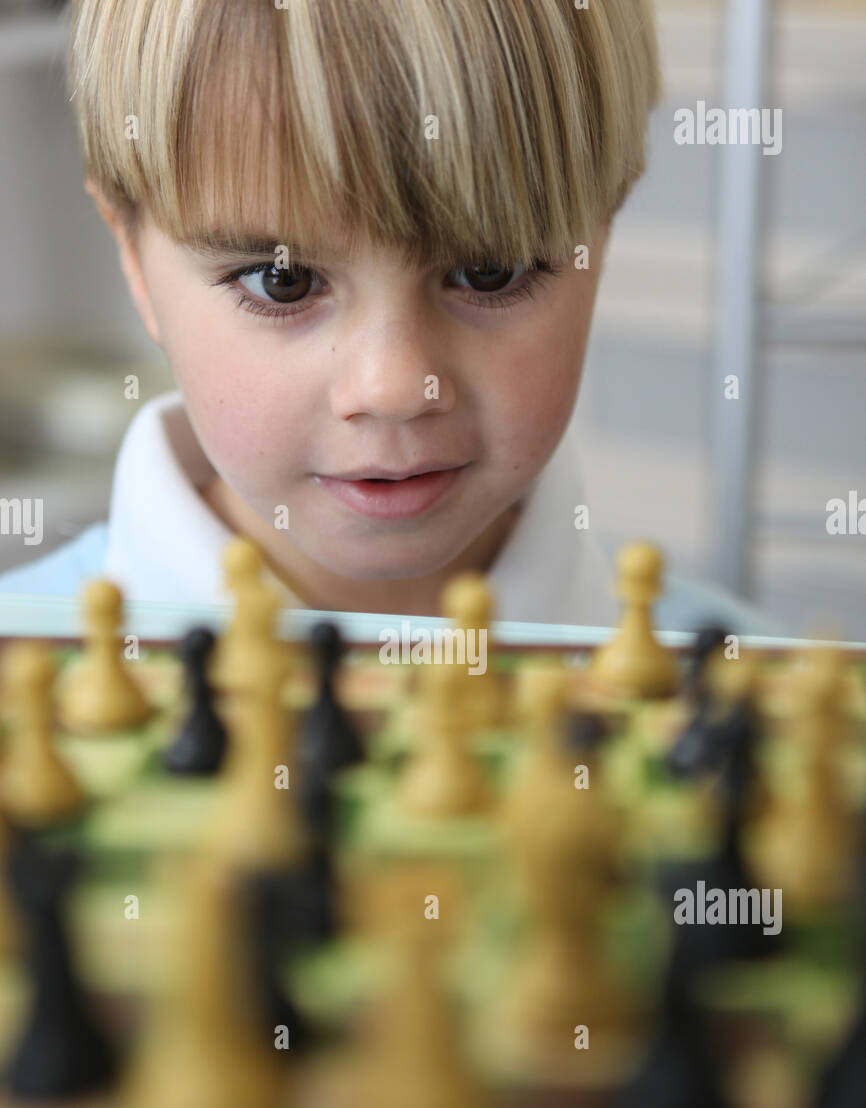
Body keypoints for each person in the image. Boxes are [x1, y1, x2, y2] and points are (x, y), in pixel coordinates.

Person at [0, 0, 778, 636]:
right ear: (132, 258)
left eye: (489, 270)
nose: (396, 387)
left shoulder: (754, 681)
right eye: (283, 281)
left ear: (601, 235)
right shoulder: (21, 646)